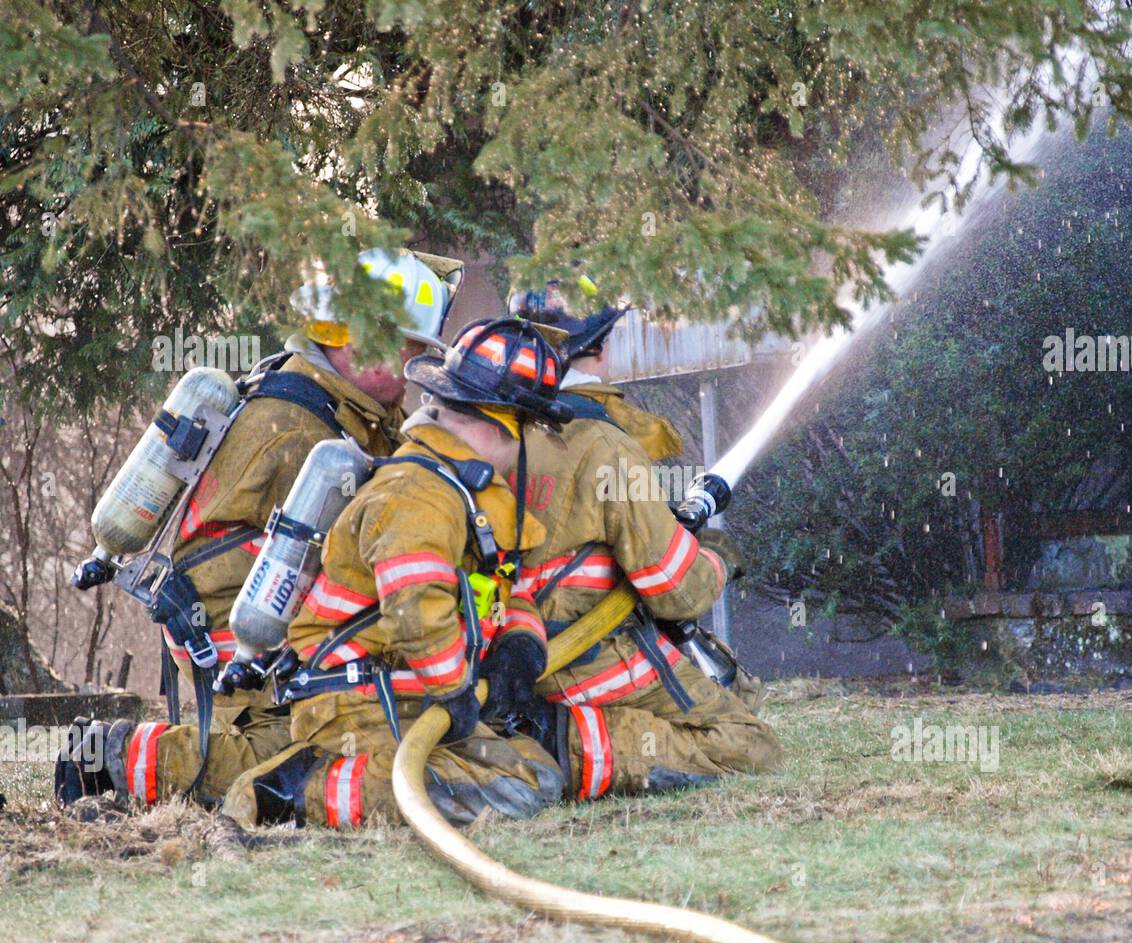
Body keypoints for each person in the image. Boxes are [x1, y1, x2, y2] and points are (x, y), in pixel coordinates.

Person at [56, 250, 457, 808]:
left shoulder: (325, 402)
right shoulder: (302, 431)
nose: (416, 372)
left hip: (245, 637)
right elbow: (360, 560)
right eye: (411, 353)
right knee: (300, 755)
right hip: (243, 653)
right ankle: (107, 756)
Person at [222, 317, 573, 828]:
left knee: (537, 774)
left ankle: (314, 780)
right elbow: (414, 607)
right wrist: (455, 690)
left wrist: (520, 646)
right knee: (515, 791)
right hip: (357, 704)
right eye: (534, 429)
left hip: (402, 698)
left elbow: (501, 587)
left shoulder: (462, 489)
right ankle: (292, 792)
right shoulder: (417, 491)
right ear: (500, 424)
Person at [510, 286, 781, 801]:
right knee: (749, 743)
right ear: (603, 346)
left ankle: (558, 732)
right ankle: (559, 744)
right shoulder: (604, 444)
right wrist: (717, 560)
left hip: (511, 654)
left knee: (733, 689)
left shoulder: (502, 427)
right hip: (583, 653)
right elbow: (673, 588)